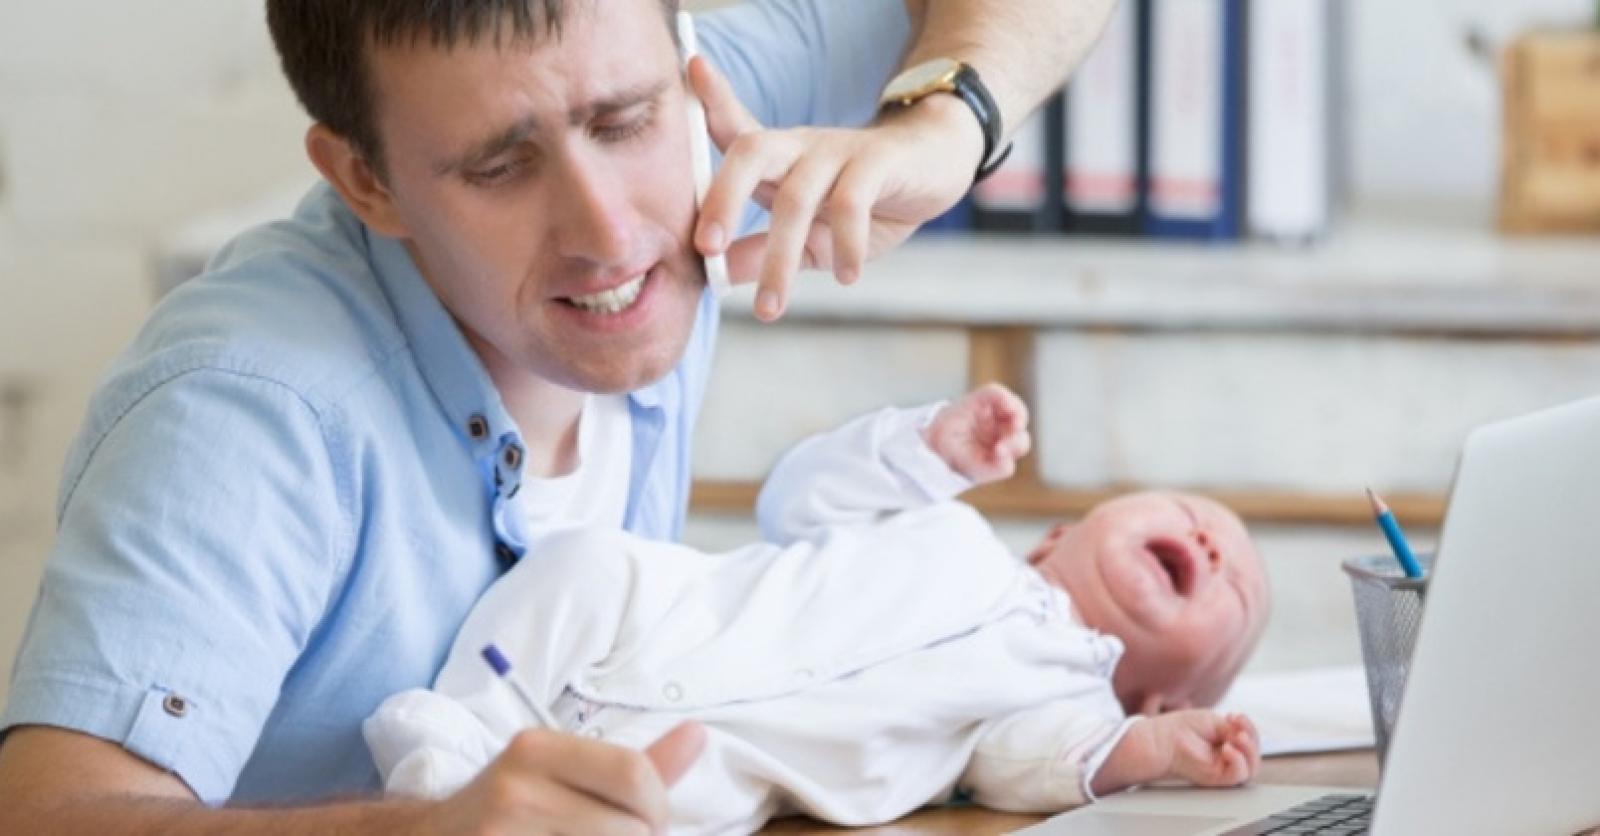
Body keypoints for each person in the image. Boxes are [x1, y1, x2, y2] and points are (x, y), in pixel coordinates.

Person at [0, 0, 1121, 832]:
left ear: (680, 60)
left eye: (625, 122)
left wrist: (948, 124)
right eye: (502, 167)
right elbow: (47, 815)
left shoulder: (706, 100)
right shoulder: (247, 415)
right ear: (365, 180)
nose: (609, 235)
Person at [364, 383, 1270, 832]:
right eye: (1187, 514)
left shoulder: (1067, 699)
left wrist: (1149, 752)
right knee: (586, 567)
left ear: (1168, 698)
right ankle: (447, 760)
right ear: (1056, 536)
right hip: (669, 625)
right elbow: (801, 500)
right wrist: (925, 449)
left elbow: (1020, 766)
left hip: (723, 759)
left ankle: (515, 807)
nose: (1207, 545)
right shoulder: (945, 524)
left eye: (1231, 581)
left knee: (659, 811)